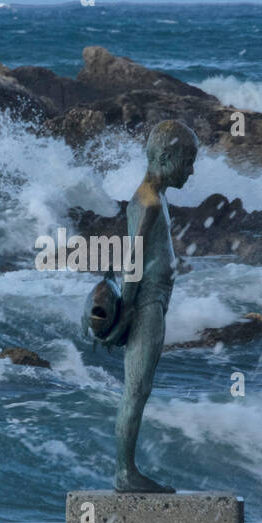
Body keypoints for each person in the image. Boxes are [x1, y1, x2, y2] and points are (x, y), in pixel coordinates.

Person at [102, 120, 198, 492]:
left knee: (138, 388)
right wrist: (125, 312)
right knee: (136, 389)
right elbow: (134, 259)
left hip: (153, 301)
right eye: (187, 161)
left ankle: (126, 470)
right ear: (164, 156)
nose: (190, 170)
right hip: (147, 302)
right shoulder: (151, 204)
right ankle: (125, 473)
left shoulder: (149, 197)